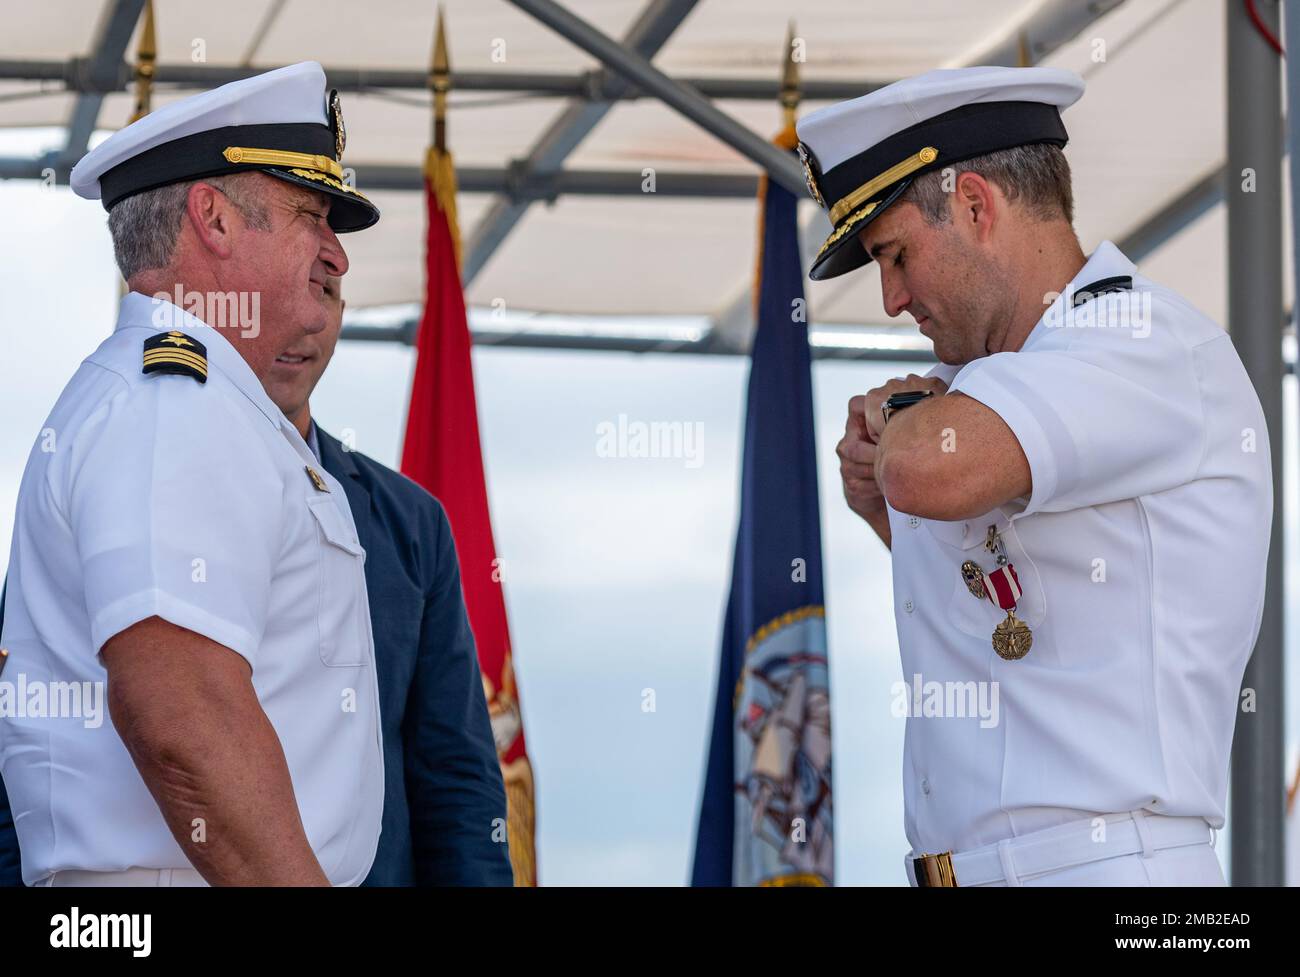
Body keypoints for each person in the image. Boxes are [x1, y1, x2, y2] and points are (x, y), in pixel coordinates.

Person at [798, 65, 1271, 885]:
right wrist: (891, 511)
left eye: (897, 254)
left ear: (976, 205)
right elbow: (1004, 624)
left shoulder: (1140, 340)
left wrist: (897, 427)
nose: (891, 297)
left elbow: (922, 467)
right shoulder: (1022, 381)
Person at [0, 61, 385, 886]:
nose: (337, 256)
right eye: (310, 214)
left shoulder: (203, 405)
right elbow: (183, 713)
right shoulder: (174, 404)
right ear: (211, 216)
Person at [264, 275, 513, 885]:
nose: (305, 320)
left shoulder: (410, 524)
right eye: (278, 292)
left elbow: (456, 779)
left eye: (324, 292)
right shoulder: (127, 488)